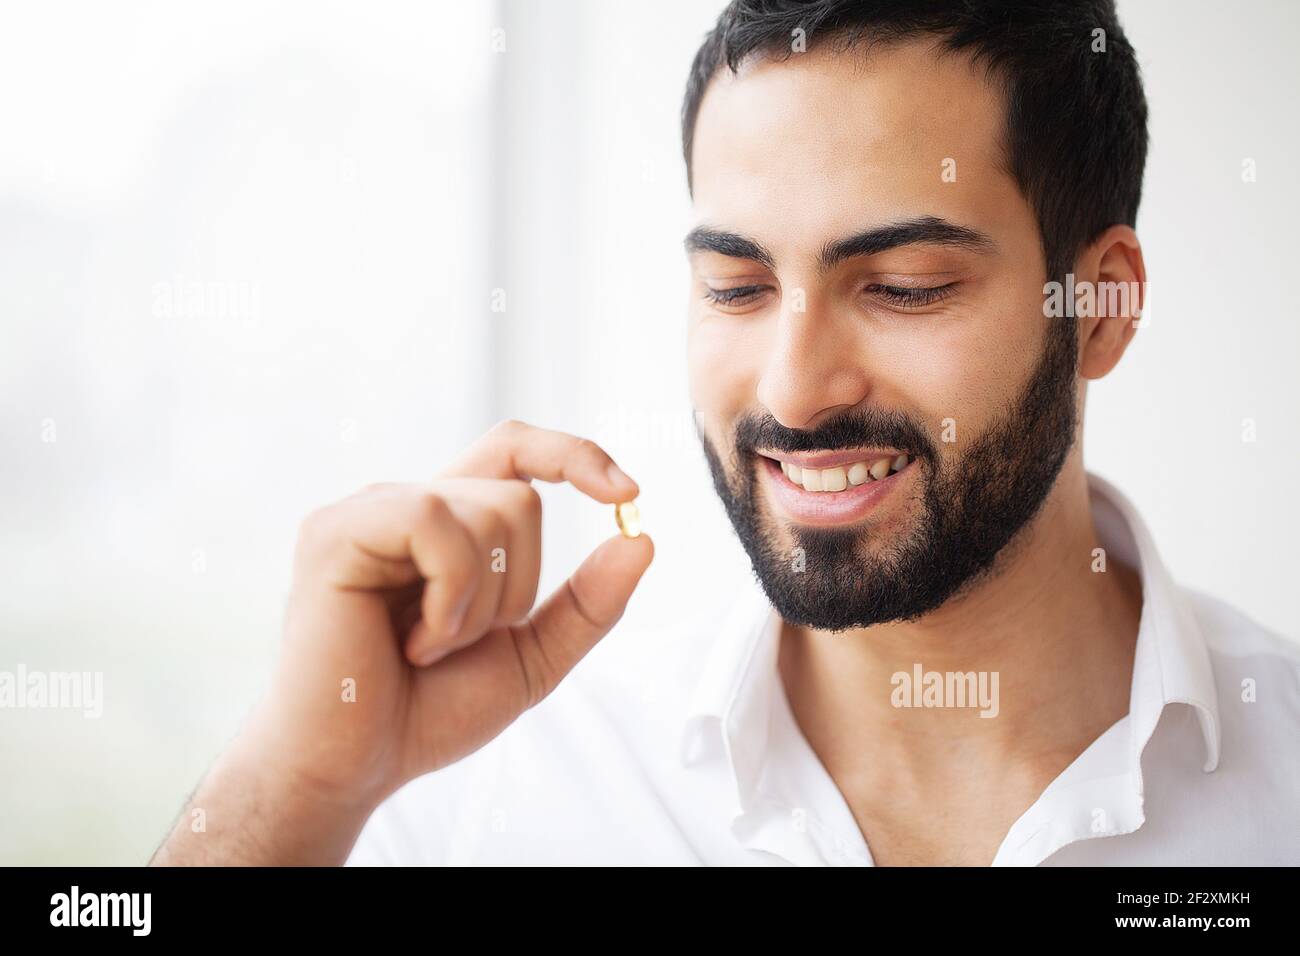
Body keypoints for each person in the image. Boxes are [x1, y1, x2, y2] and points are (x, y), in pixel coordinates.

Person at [151, 0, 1300, 866]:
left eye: (899, 285)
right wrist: (296, 787)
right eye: (738, 288)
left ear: (1097, 304)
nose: (793, 392)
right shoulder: (501, 777)